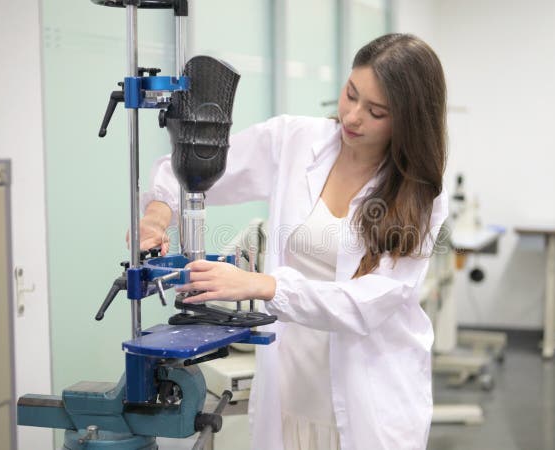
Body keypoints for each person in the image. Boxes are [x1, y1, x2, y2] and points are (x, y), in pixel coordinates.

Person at [139, 33, 447, 450]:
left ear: (408, 120)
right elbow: (193, 170)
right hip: (290, 388)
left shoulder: (419, 193)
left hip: (370, 403)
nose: (353, 117)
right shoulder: (295, 141)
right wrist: (159, 214)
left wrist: (263, 285)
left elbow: (366, 304)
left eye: (376, 111)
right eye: (350, 94)